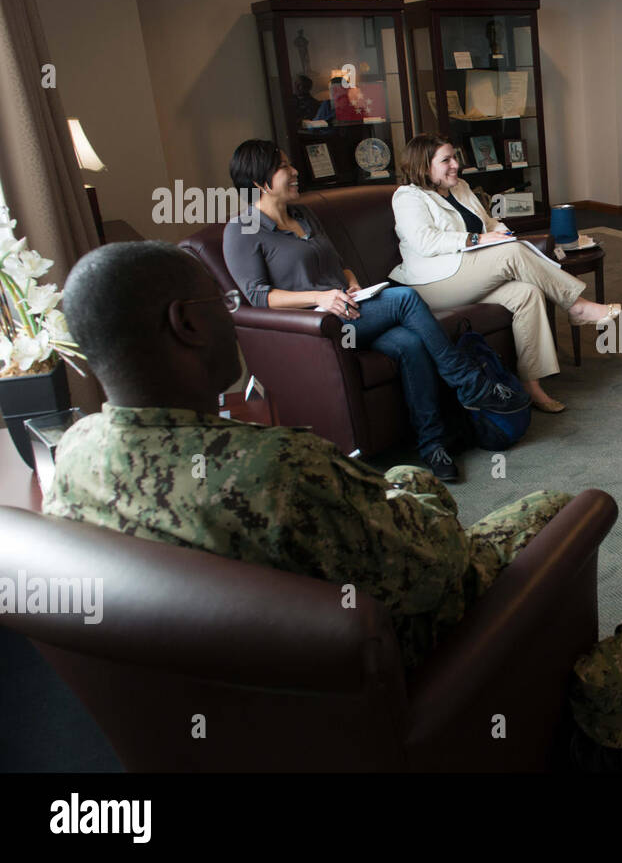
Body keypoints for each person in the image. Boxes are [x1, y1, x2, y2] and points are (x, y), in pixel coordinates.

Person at [42, 240, 573, 671]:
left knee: (408, 434)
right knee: (560, 508)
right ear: (186, 323)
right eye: (223, 305)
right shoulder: (278, 467)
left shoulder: (72, 455)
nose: (235, 319)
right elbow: (442, 566)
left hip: (235, 697)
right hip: (382, 672)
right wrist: (420, 491)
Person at [221, 139, 529, 482]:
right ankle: (468, 382)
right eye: (283, 168)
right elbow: (257, 297)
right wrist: (320, 298)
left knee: (410, 346)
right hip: (319, 324)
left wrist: (350, 281)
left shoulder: (304, 215)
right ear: (258, 182)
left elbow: (340, 265)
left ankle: (432, 445)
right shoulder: (242, 230)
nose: (294, 172)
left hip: (354, 309)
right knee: (406, 298)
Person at [389, 133, 620, 413]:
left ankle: (531, 385)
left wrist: (503, 234)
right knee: (512, 254)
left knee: (528, 293)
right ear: (424, 166)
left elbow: (487, 222)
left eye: (455, 158)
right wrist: (477, 240)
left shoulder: (460, 187)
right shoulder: (408, 197)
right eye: (446, 160)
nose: (455, 165)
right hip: (433, 282)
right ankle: (577, 305)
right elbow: (424, 241)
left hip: (470, 271)